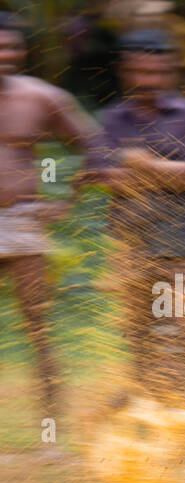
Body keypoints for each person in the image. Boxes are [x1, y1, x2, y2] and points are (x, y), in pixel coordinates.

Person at [81, 28, 185, 403]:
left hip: (180, 248)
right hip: (130, 248)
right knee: (137, 332)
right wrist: (176, 173)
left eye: (157, 73)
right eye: (139, 72)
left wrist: (144, 164)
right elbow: (101, 175)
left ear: (171, 71)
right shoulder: (111, 119)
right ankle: (147, 406)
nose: (148, 81)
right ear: (124, 71)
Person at [0, 12, 104, 422]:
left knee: (38, 327)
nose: (3, 54)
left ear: (22, 51)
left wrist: (66, 201)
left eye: (10, 46)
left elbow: (93, 145)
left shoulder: (40, 97)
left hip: (23, 219)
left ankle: (51, 433)